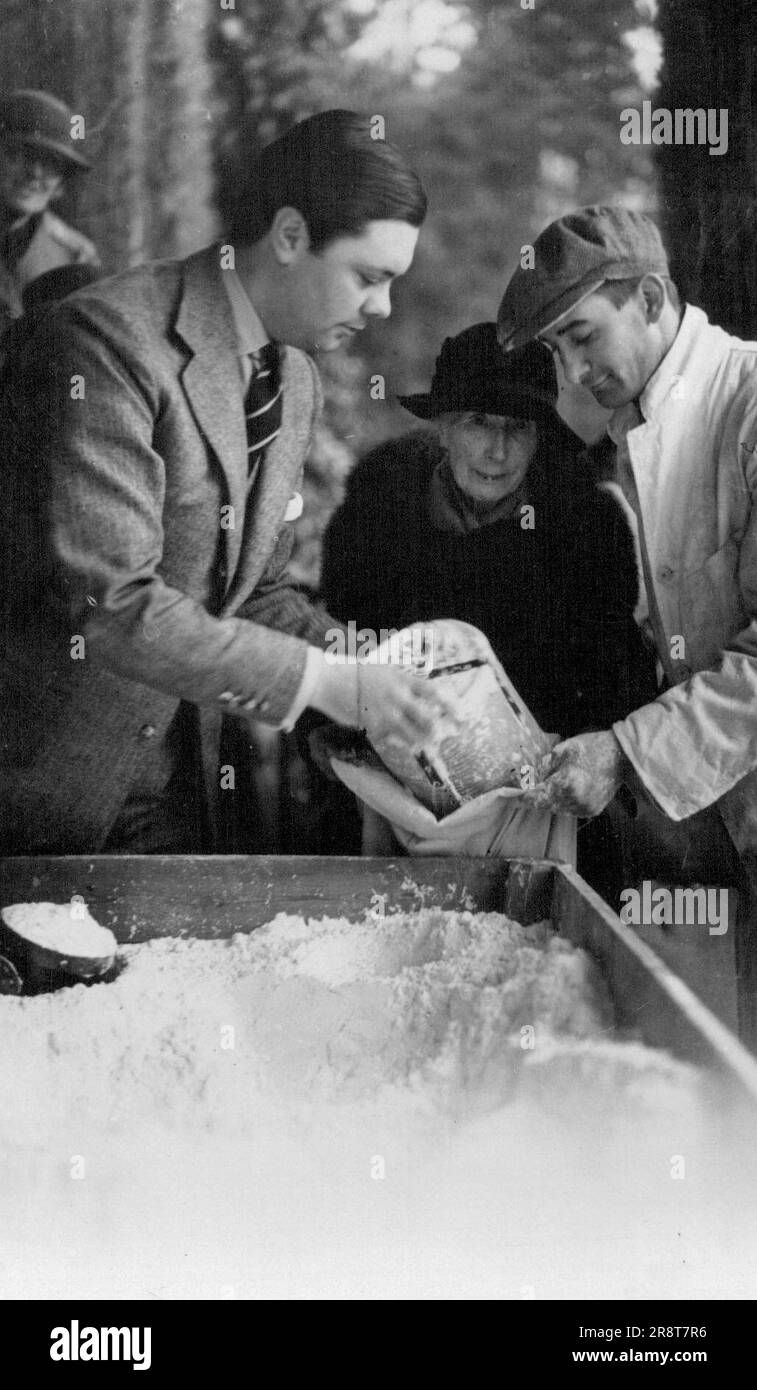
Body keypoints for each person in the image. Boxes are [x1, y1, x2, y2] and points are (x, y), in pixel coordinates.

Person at [0, 109, 449, 854]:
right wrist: (324, 684)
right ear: (290, 234)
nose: (382, 308)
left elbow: (255, 591)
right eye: (369, 277)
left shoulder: (294, 377)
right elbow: (111, 604)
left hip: (183, 796)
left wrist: (375, 669)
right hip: (42, 799)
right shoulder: (107, 341)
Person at [497, 204, 757, 1042]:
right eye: (554, 352)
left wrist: (625, 749)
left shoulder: (748, 404)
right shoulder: (638, 423)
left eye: (580, 336)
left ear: (649, 297)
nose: (571, 372)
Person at [311, 322, 654, 884]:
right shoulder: (379, 505)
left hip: (537, 821)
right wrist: (323, 734)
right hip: (398, 809)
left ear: (540, 437)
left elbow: (619, 676)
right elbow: (335, 636)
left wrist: (595, 755)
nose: (497, 451)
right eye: (477, 423)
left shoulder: (586, 525)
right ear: (442, 430)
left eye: (518, 428)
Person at [0, 89, 99, 337]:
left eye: (51, 163)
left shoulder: (74, 257)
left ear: (61, 184)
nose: (35, 173)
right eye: (20, 155)